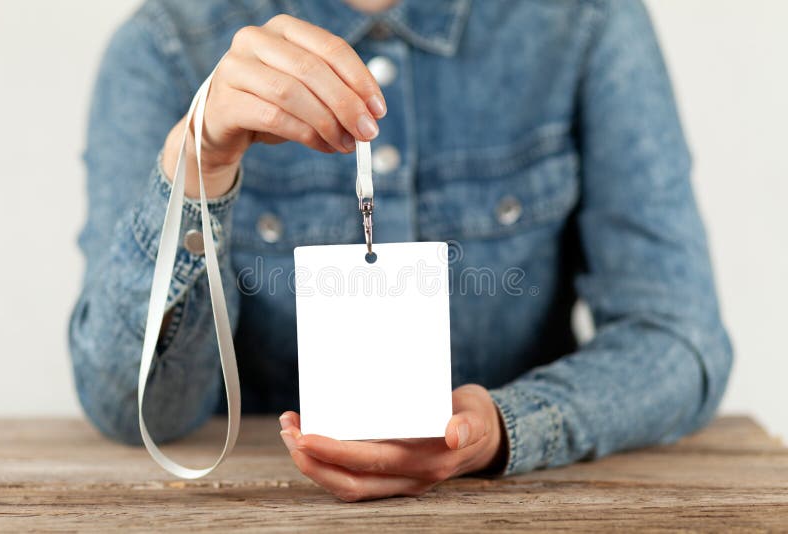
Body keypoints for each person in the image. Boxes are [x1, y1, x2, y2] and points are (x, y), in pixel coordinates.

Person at [70, 0, 733, 501]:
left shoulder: (584, 21)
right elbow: (137, 410)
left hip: (511, 509)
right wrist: (199, 165)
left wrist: (507, 427)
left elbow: (677, 336)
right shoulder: (167, 44)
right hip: (260, 510)